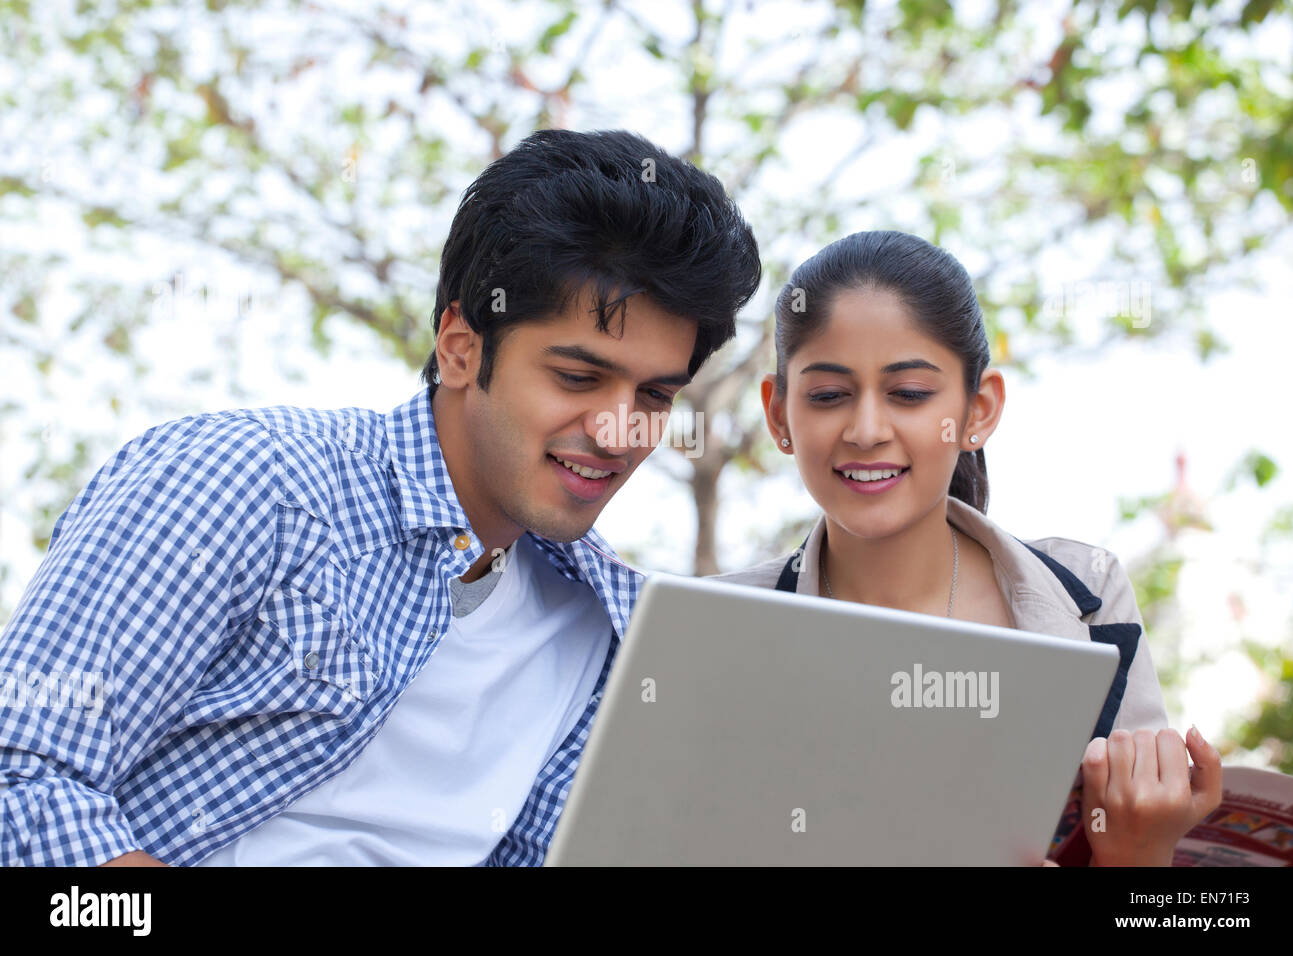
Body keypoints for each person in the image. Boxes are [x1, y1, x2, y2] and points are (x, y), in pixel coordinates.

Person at [0, 128, 762, 866]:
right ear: (461, 347)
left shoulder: (613, 627)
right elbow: (22, 779)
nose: (616, 430)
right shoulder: (247, 482)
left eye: (655, 396)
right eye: (576, 377)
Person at [711, 230, 1222, 866]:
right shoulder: (712, 631)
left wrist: (1138, 858)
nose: (867, 430)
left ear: (978, 410)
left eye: (910, 394)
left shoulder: (1088, 599)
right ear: (780, 414)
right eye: (828, 395)